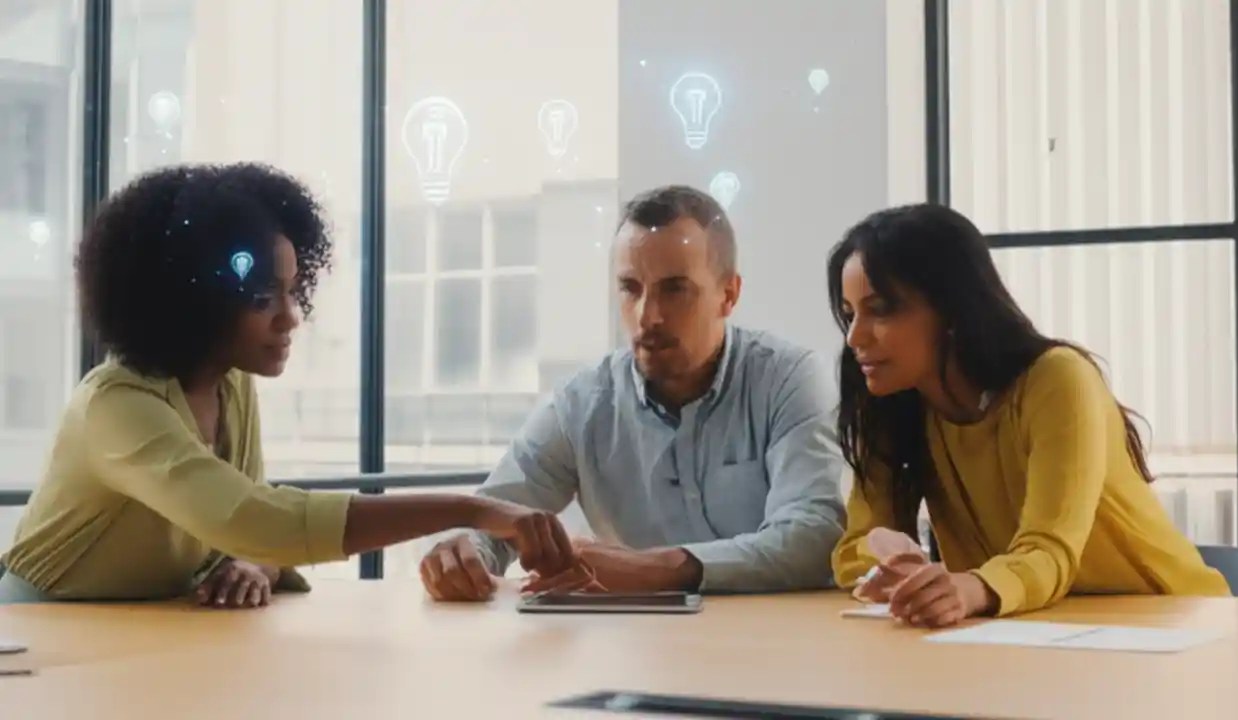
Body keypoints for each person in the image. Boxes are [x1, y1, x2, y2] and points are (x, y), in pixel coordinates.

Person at [0, 164, 576, 606]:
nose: (290, 317)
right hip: (39, 638)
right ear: (195, 303)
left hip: (145, 636)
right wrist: (470, 508)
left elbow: (247, 534)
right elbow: (256, 519)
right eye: (261, 298)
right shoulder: (116, 406)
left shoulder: (230, 389)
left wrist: (258, 566)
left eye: (292, 290)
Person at [420, 185, 846, 601]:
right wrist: (464, 553)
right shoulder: (581, 403)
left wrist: (657, 569)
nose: (648, 315)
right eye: (630, 288)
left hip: (773, 646)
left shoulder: (789, 379)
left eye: (674, 289)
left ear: (728, 294)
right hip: (634, 648)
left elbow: (813, 537)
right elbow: (498, 515)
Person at [828, 203, 1230, 627]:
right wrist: (888, 562)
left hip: (1172, 622)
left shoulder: (1057, 380)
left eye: (881, 309)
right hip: (1028, 628)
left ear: (950, 308)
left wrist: (970, 588)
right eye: (851, 314)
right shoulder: (893, 400)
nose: (855, 337)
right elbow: (853, 551)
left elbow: (1049, 549)